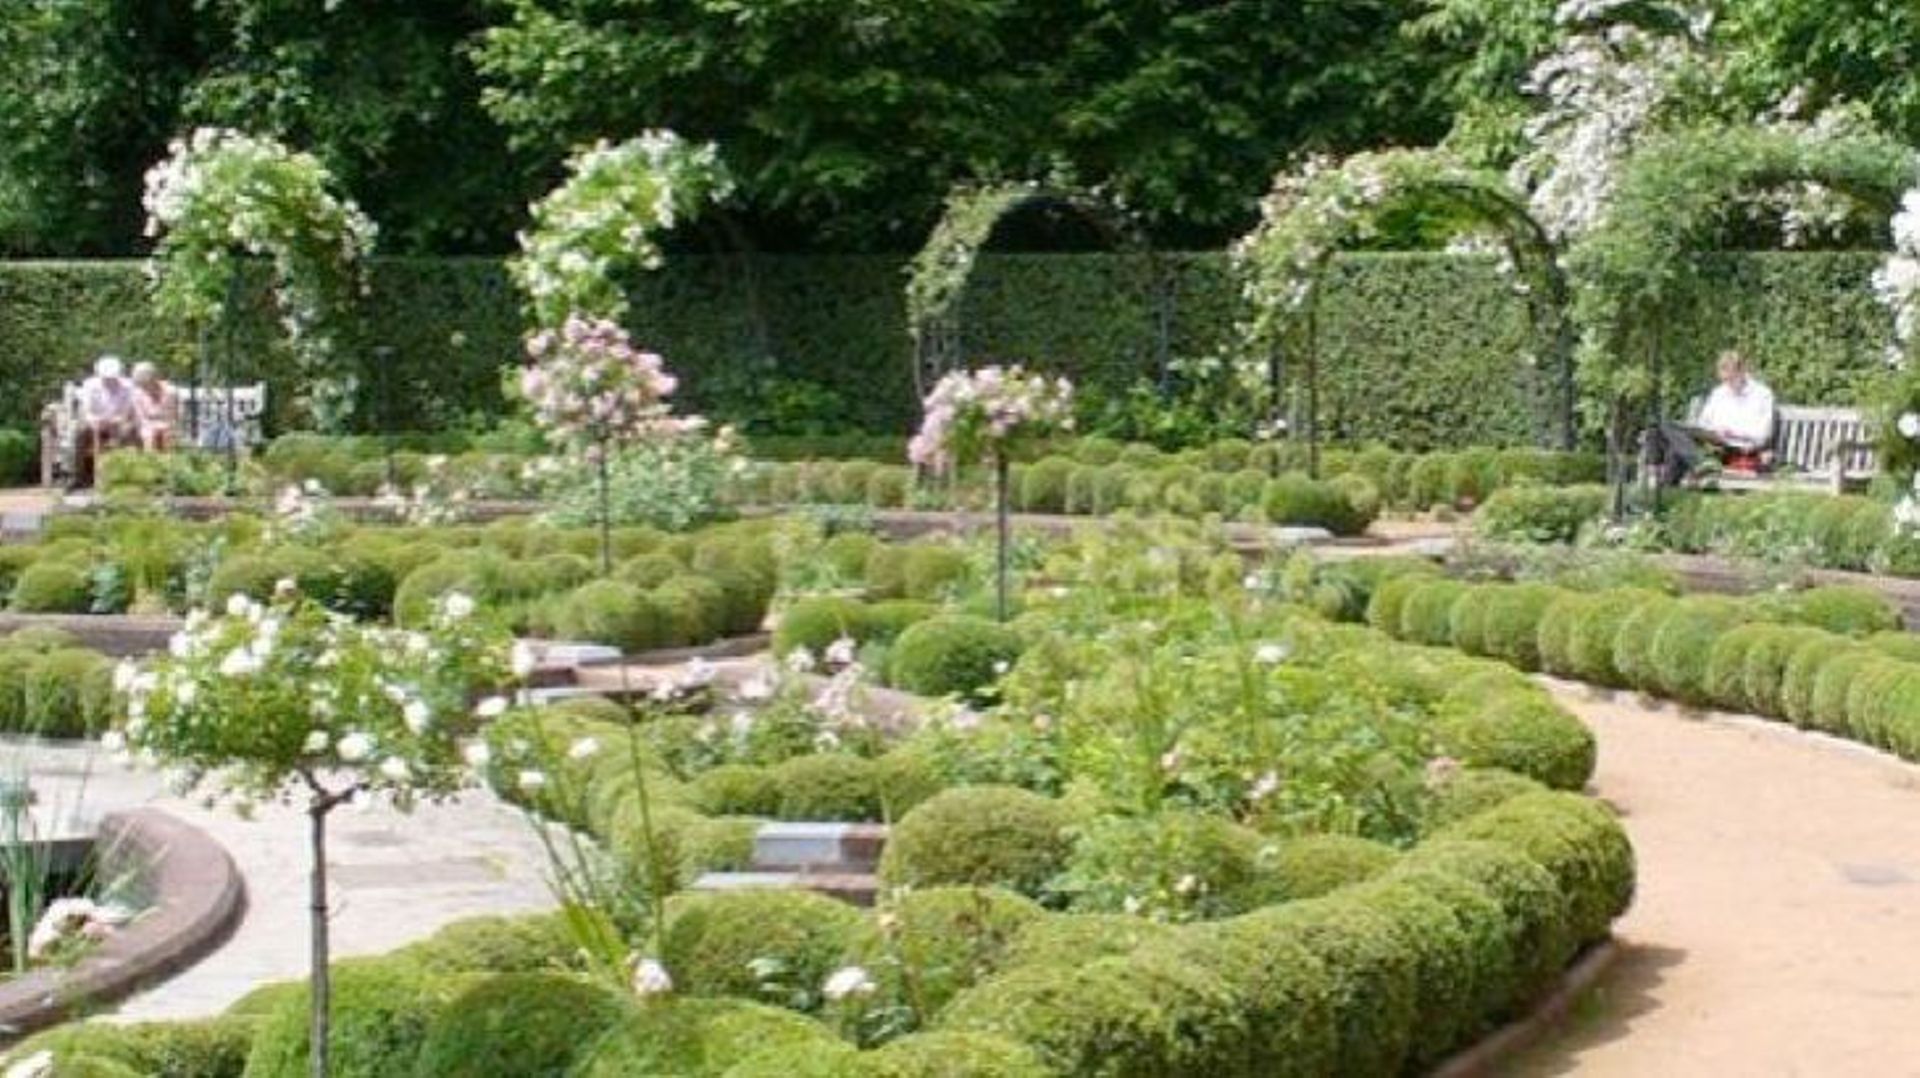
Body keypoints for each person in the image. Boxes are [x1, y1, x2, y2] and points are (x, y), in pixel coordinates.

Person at [1644, 350, 1776, 487]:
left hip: (1738, 446)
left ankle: (1665, 484)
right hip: (1712, 441)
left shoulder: (1762, 395)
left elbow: (1763, 434)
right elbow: (1703, 423)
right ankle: (1671, 476)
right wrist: (1709, 431)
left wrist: (1734, 432)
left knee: (1676, 445)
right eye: (1724, 380)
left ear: (1742, 371)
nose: (1728, 384)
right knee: (1662, 425)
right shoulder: (1719, 392)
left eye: (1731, 379)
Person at [75, 355, 138, 488]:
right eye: (106, 377)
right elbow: (86, 411)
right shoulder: (90, 385)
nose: (109, 380)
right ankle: (81, 476)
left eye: (112, 377)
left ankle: (126, 475)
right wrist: (97, 420)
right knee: (81, 431)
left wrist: (120, 420)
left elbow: (131, 409)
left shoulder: (128, 386)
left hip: (120, 421)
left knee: (130, 431)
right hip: (96, 421)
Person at [130, 361, 178, 451]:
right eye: (141, 384)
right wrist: (153, 427)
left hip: (167, 424)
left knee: (167, 436)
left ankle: (169, 461)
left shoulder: (170, 391)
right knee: (150, 437)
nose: (144, 387)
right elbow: (141, 418)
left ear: (153, 379)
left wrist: (165, 426)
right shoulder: (137, 393)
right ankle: (151, 461)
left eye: (146, 383)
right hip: (148, 425)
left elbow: (173, 415)